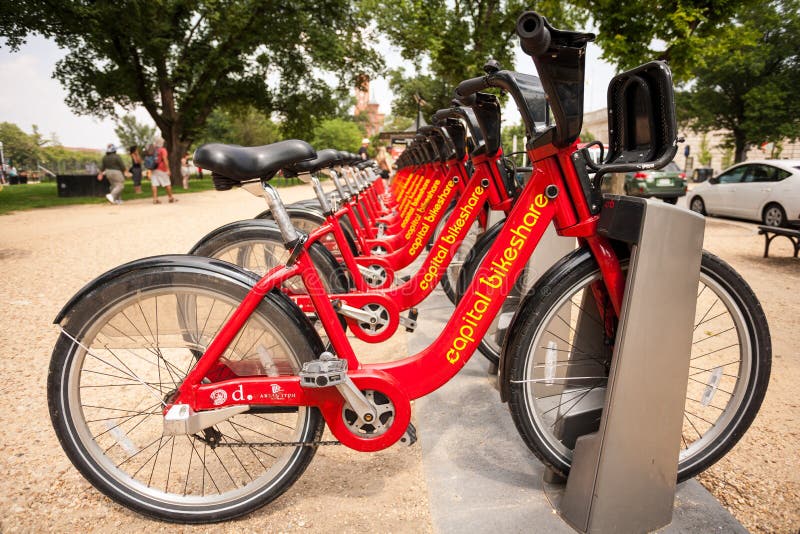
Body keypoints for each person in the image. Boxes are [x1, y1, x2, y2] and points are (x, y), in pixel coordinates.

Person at [150, 137, 176, 204]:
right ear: (161, 143)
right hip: (162, 169)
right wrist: (168, 169)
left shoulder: (152, 150)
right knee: (167, 183)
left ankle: (155, 199)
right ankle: (171, 198)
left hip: (153, 168)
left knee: (154, 184)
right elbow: (165, 160)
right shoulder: (162, 150)